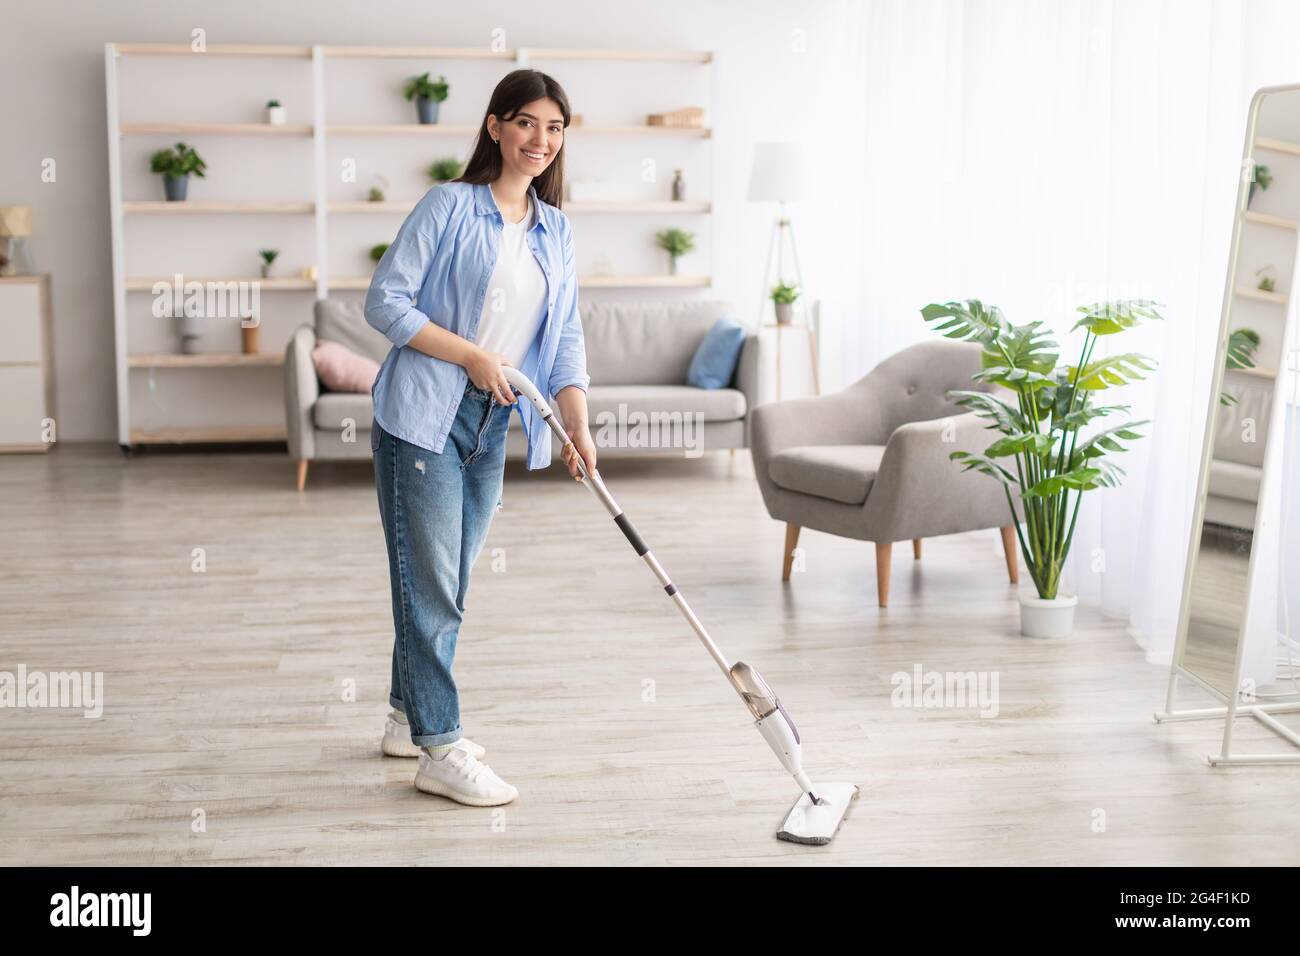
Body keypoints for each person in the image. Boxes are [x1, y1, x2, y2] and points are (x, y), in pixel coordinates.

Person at [364, 69, 596, 807]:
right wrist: (469, 353)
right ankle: (440, 745)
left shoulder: (555, 230)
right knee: (432, 584)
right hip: (425, 415)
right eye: (527, 122)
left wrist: (577, 422)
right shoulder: (449, 205)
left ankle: (407, 716)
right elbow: (384, 301)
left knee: (450, 580)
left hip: (495, 423)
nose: (541, 140)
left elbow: (564, 339)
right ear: (496, 126)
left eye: (555, 128)